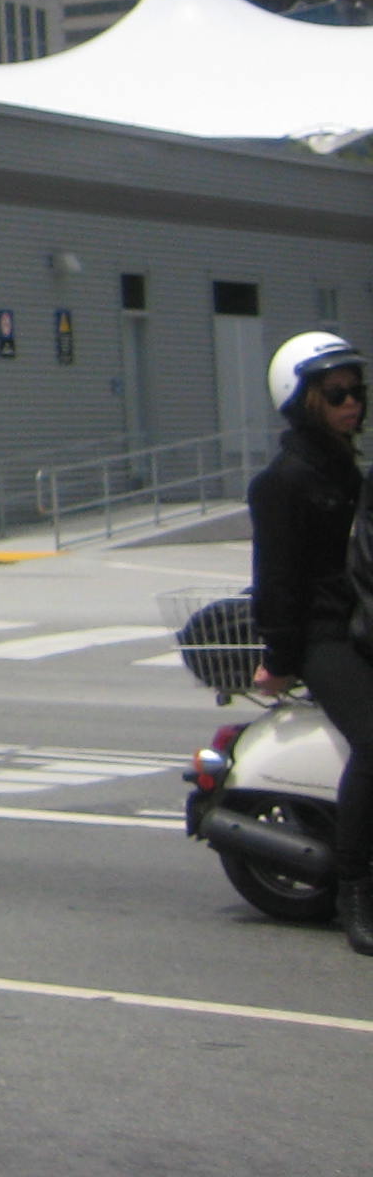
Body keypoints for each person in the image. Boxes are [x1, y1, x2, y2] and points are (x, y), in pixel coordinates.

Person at [247, 330, 370, 952]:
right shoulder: (284, 482)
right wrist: (279, 659)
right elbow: (276, 579)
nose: (352, 403)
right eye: (336, 393)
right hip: (326, 637)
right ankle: (357, 889)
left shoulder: (350, 471)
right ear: (302, 401)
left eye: (357, 392)